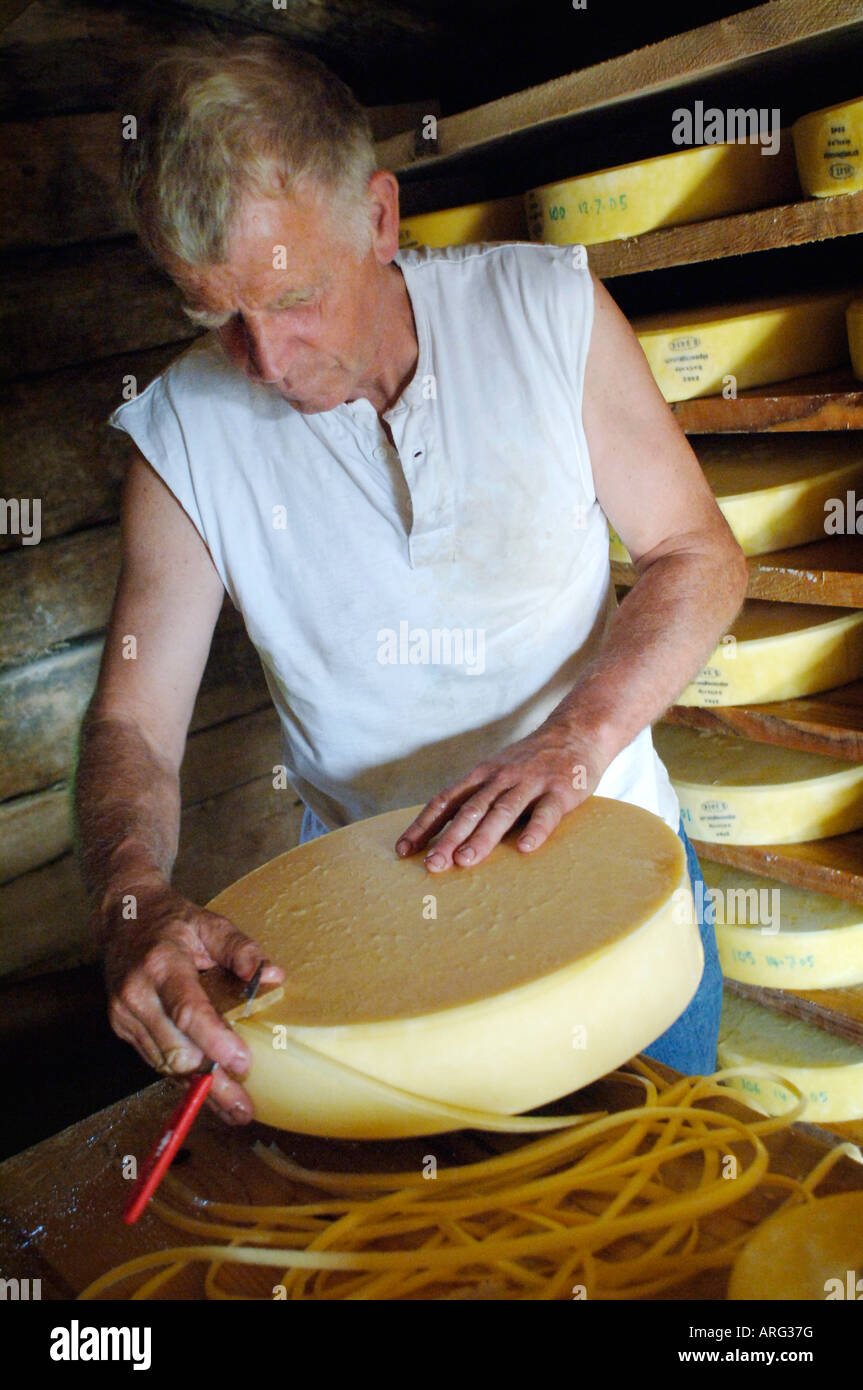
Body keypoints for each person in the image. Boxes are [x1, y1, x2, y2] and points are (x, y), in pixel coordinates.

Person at [74, 35, 748, 1126]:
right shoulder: (180, 438)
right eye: (215, 317)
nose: (266, 358)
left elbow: (697, 556)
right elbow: (133, 726)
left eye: (292, 298)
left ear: (378, 217)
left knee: (655, 1229)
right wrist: (131, 897)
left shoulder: (545, 312)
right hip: (371, 948)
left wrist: (575, 739)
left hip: (615, 888)